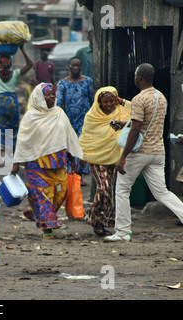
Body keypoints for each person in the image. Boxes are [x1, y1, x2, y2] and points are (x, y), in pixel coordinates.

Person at [105, 63, 183, 241]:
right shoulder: (161, 97)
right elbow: (147, 123)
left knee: (123, 190)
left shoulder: (139, 99)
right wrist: (125, 124)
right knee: (162, 192)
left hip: (140, 152)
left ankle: (123, 232)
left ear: (139, 77)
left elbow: (136, 130)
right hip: (158, 152)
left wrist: (123, 157)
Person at [11, 83, 83, 239]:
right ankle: (47, 229)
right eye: (47, 94)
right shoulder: (31, 117)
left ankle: (36, 212)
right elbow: (23, 142)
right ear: (39, 97)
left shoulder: (59, 113)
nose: (52, 97)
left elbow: (68, 137)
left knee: (60, 195)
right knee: (43, 197)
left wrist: (73, 160)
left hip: (58, 163)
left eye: (53, 94)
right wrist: (16, 164)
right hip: (37, 165)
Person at [79, 86, 131, 236]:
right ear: (99, 103)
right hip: (96, 158)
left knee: (108, 191)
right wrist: (83, 156)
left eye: (112, 101)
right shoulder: (91, 116)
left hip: (114, 158)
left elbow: (136, 110)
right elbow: (86, 138)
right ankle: (94, 218)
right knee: (104, 187)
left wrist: (122, 101)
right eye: (105, 101)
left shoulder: (121, 112)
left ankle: (100, 222)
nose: (108, 104)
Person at [0, 44, 33, 152]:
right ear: (10, 63)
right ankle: (13, 156)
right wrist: (22, 49)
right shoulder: (15, 74)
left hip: (0, 103)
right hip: (12, 104)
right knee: (13, 128)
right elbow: (30, 64)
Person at [56, 56, 93, 184]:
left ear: (81, 67)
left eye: (78, 65)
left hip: (84, 119)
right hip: (69, 120)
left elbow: (92, 99)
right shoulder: (63, 84)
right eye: (73, 65)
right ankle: (72, 174)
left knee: (82, 145)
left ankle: (80, 174)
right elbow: (58, 102)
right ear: (69, 67)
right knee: (70, 145)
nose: (76, 68)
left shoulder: (88, 81)